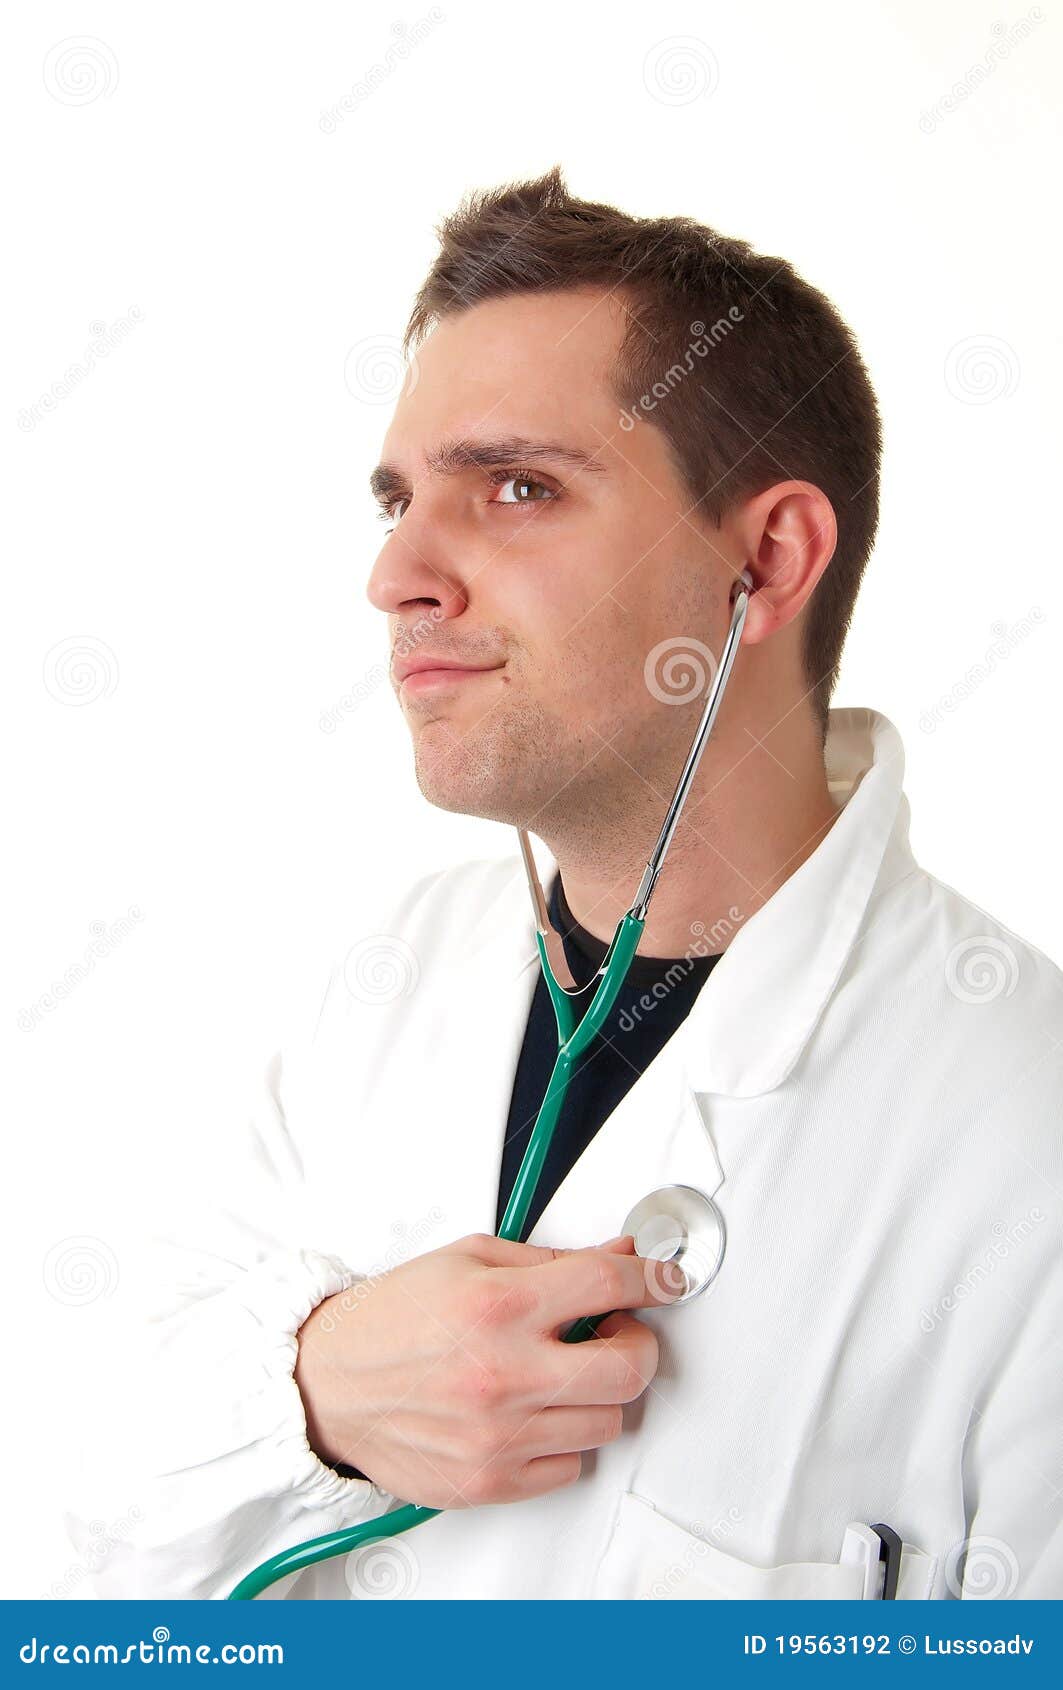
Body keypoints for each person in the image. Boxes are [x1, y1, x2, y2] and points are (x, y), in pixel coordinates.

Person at [68, 169, 1062, 1600]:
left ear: (764, 558)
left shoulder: (1029, 1133)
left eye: (517, 487)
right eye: (401, 498)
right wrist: (312, 1391)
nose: (398, 572)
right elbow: (97, 1520)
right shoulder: (389, 981)